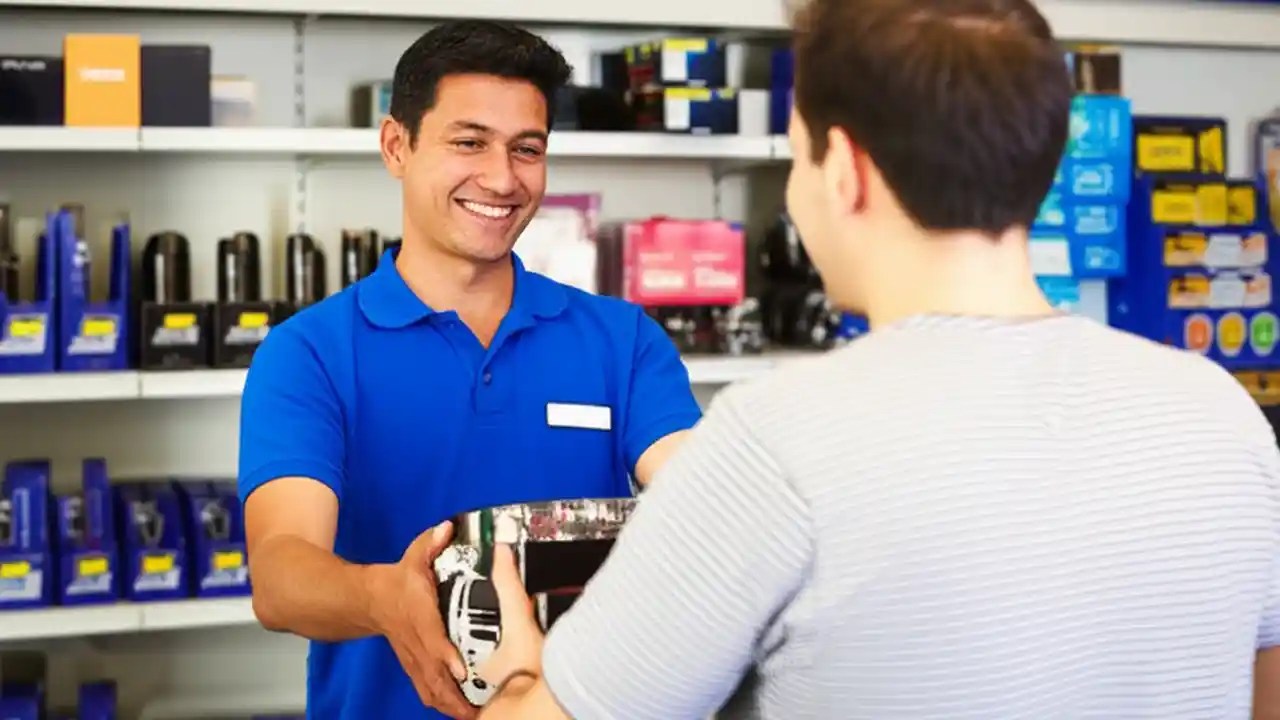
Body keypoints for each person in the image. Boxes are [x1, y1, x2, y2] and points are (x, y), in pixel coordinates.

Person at [466, 0, 1280, 718]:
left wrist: (517, 678)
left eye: (798, 158)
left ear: (846, 171)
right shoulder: (1221, 418)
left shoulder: (777, 444)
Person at [236, 20, 701, 720]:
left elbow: (703, 503)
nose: (501, 178)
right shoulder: (310, 354)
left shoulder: (621, 340)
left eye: (527, 149)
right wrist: (382, 598)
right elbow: (280, 576)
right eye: (468, 142)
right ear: (398, 146)